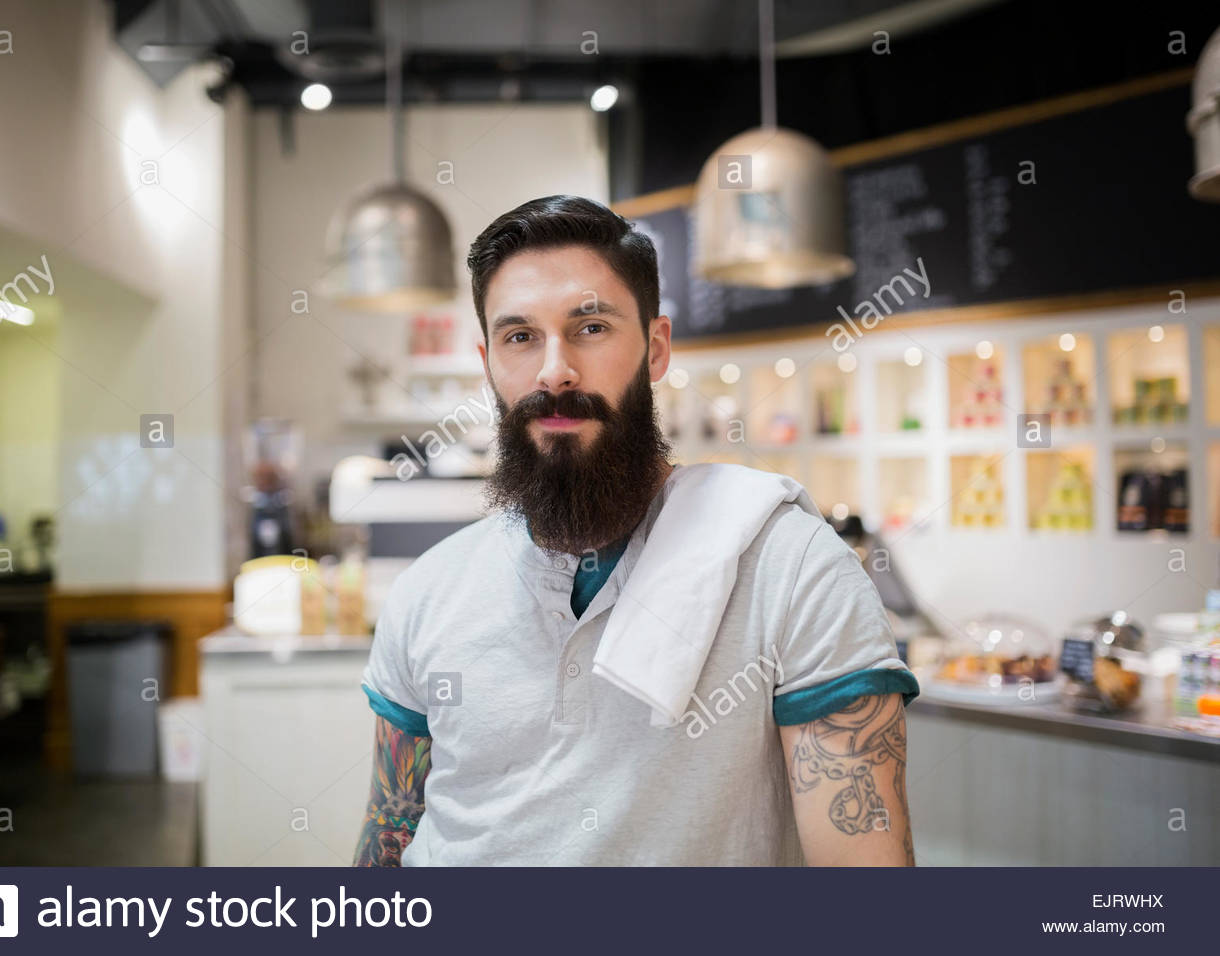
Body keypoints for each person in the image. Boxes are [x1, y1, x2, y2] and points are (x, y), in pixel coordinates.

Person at [353, 195, 920, 866]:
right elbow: (388, 840)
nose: (554, 369)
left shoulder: (793, 572)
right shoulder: (427, 592)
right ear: (488, 363)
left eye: (590, 327)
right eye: (520, 336)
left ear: (655, 348)